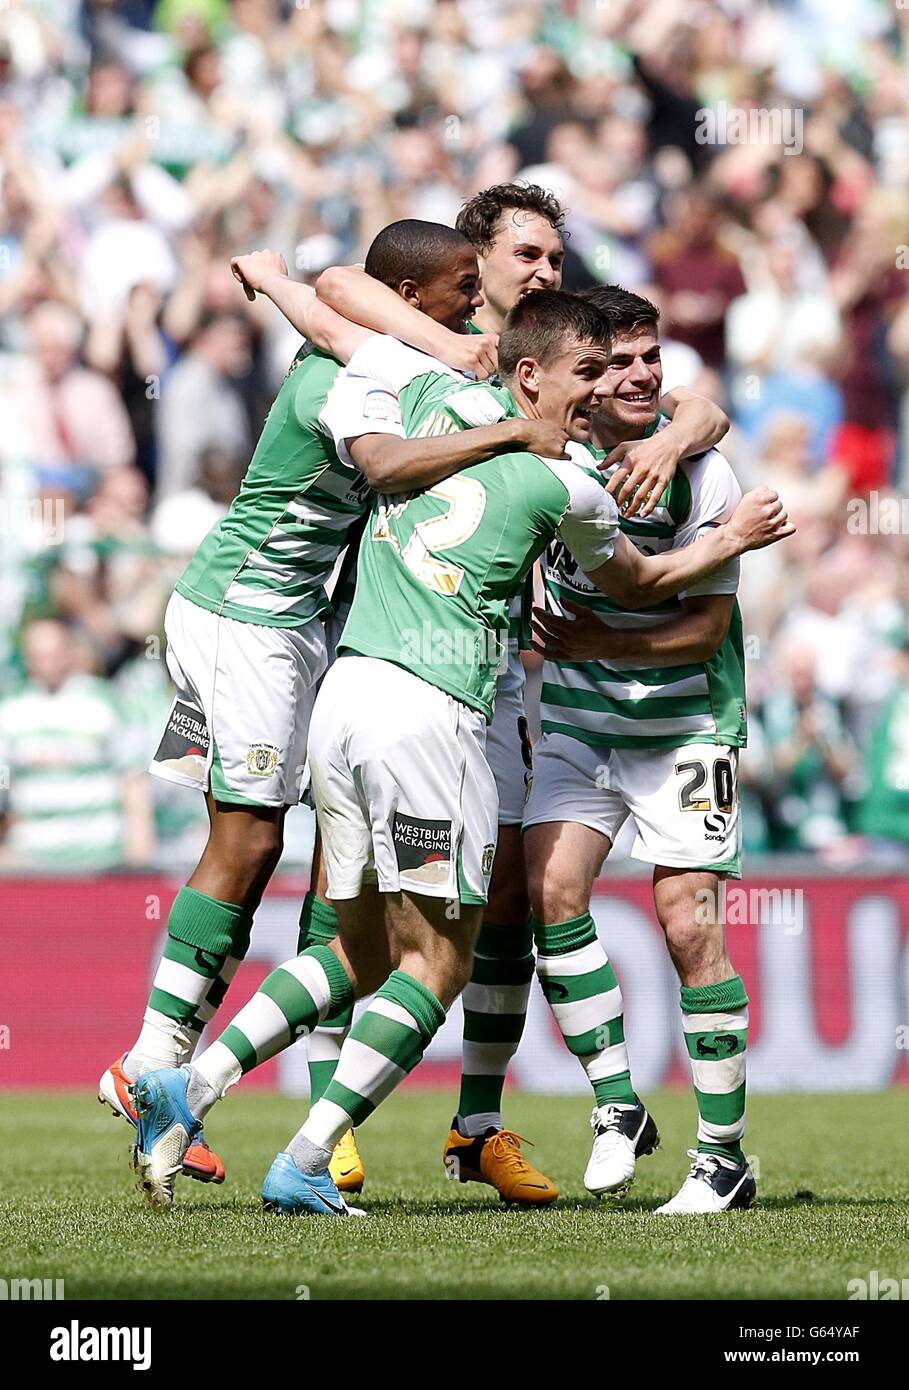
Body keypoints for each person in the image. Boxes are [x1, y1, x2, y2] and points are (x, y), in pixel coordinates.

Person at [128, 288, 793, 1215]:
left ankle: (182, 1083)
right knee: (439, 964)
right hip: (429, 717)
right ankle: (309, 1155)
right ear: (530, 375)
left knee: (357, 949)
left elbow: (338, 317)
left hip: (344, 694)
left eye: (617, 369)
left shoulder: (442, 408)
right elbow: (641, 580)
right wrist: (732, 539)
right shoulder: (568, 482)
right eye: (588, 372)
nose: (603, 388)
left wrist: (272, 278)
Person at [295, 183, 730, 1203]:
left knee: (503, 903)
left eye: (552, 256)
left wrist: (670, 439)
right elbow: (332, 284)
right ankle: (330, 1118)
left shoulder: (558, 363)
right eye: (525, 254)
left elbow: (693, 404)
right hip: (389, 639)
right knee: (344, 888)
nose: (543, 271)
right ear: (469, 260)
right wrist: (451, 354)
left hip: (494, 676)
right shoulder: (434, 346)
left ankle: (478, 1123)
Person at [97, 220, 555, 1187]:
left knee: (313, 869)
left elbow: (329, 289)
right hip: (242, 612)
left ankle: (203, 1082)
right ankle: (148, 1065)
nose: (474, 305)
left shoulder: (389, 351)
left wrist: (273, 279)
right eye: (461, 289)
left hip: (300, 629)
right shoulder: (363, 368)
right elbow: (341, 284)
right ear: (416, 294)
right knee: (251, 840)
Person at [527, 285, 757, 1213]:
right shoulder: (551, 455)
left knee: (688, 925)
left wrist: (593, 643)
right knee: (547, 894)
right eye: (616, 359)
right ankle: (617, 1102)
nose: (638, 373)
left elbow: (703, 633)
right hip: (580, 726)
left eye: (649, 357)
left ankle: (722, 1156)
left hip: (688, 726)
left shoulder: (708, 476)